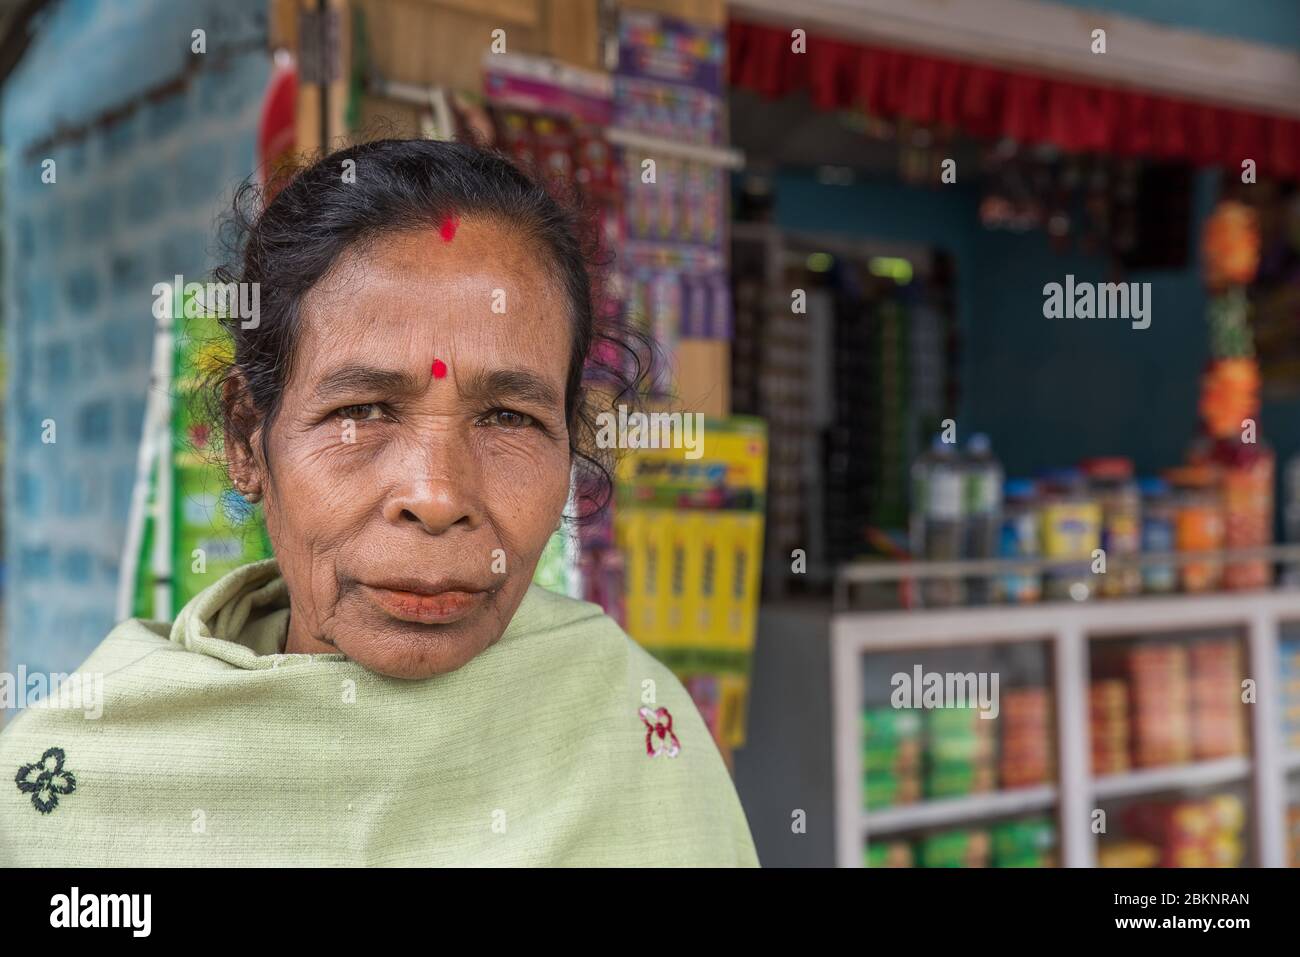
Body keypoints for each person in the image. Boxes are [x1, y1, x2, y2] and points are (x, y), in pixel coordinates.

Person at [1, 139, 759, 867]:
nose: (436, 497)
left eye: (508, 418)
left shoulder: (637, 729)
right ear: (245, 438)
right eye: (361, 411)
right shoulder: (76, 781)